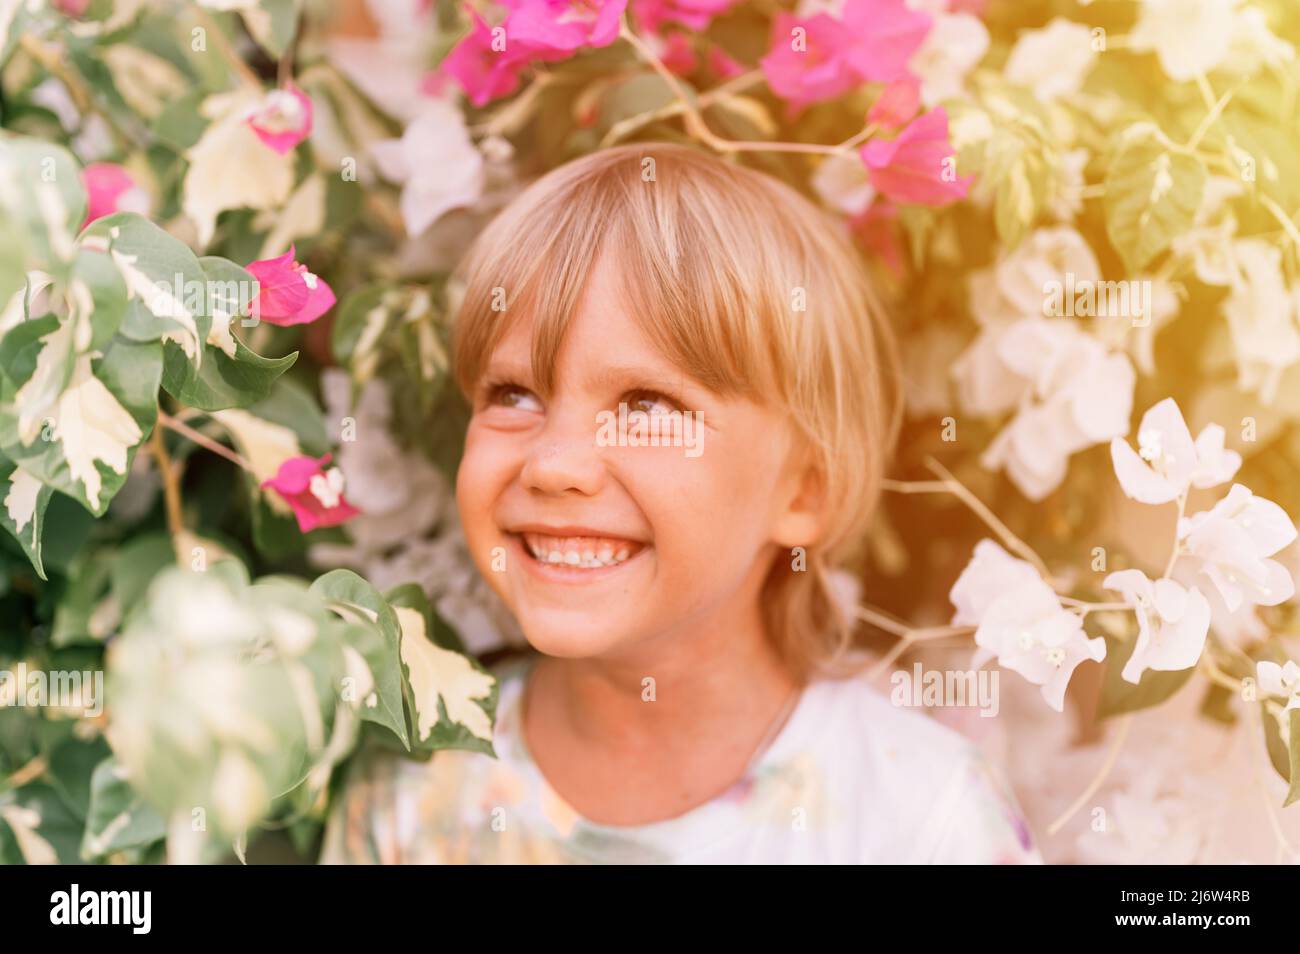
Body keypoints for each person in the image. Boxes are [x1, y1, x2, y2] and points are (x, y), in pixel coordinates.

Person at [320, 143, 1040, 864]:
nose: (553, 464)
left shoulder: (919, 819)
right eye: (514, 395)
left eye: (646, 405)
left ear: (803, 492)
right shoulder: (413, 795)